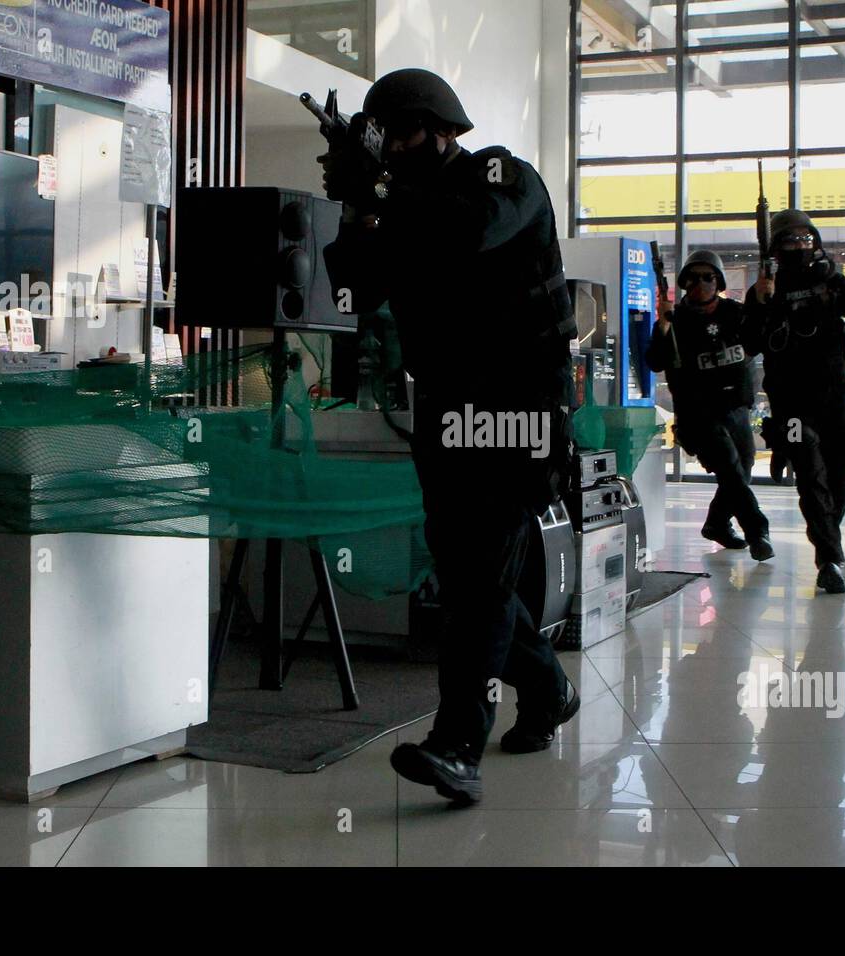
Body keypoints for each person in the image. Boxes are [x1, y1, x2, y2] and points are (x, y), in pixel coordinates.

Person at [319, 68, 579, 804]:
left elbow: (469, 229)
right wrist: (352, 207)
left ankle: (458, 743)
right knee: (469, 574)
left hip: (520, 408)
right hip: (447, 412)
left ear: (444, 129)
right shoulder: (400, 209)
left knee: (482, 579)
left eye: (404, 134)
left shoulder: (500, 176)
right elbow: (352, 289)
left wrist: (377, 193)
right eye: (385, 141)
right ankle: (549, 686)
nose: (396, 151)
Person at [742, 209, 845, 594]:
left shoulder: (831, 282)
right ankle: (830, 559)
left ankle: (828, 540)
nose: (800, 247)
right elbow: (749, 343)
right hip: (790, 403)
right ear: (776, 247)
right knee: (810, 474)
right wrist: (761, 302)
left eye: (807, 240)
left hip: (833, 398)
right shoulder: (765, 288)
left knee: (840, 471)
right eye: (791, 240)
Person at [645, 250, 772, 561]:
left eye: (708, 277)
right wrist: (662, 325)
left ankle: (716, 523)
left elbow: (759, 342)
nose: (700, 283)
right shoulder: (675, 320)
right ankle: (758, 531)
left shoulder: (735, 313)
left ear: (719, 281)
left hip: (736, 405)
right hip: (697, 411)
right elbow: (655, 361)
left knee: (742, 468)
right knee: (729, 467)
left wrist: (763, 299)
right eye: (694, 277)